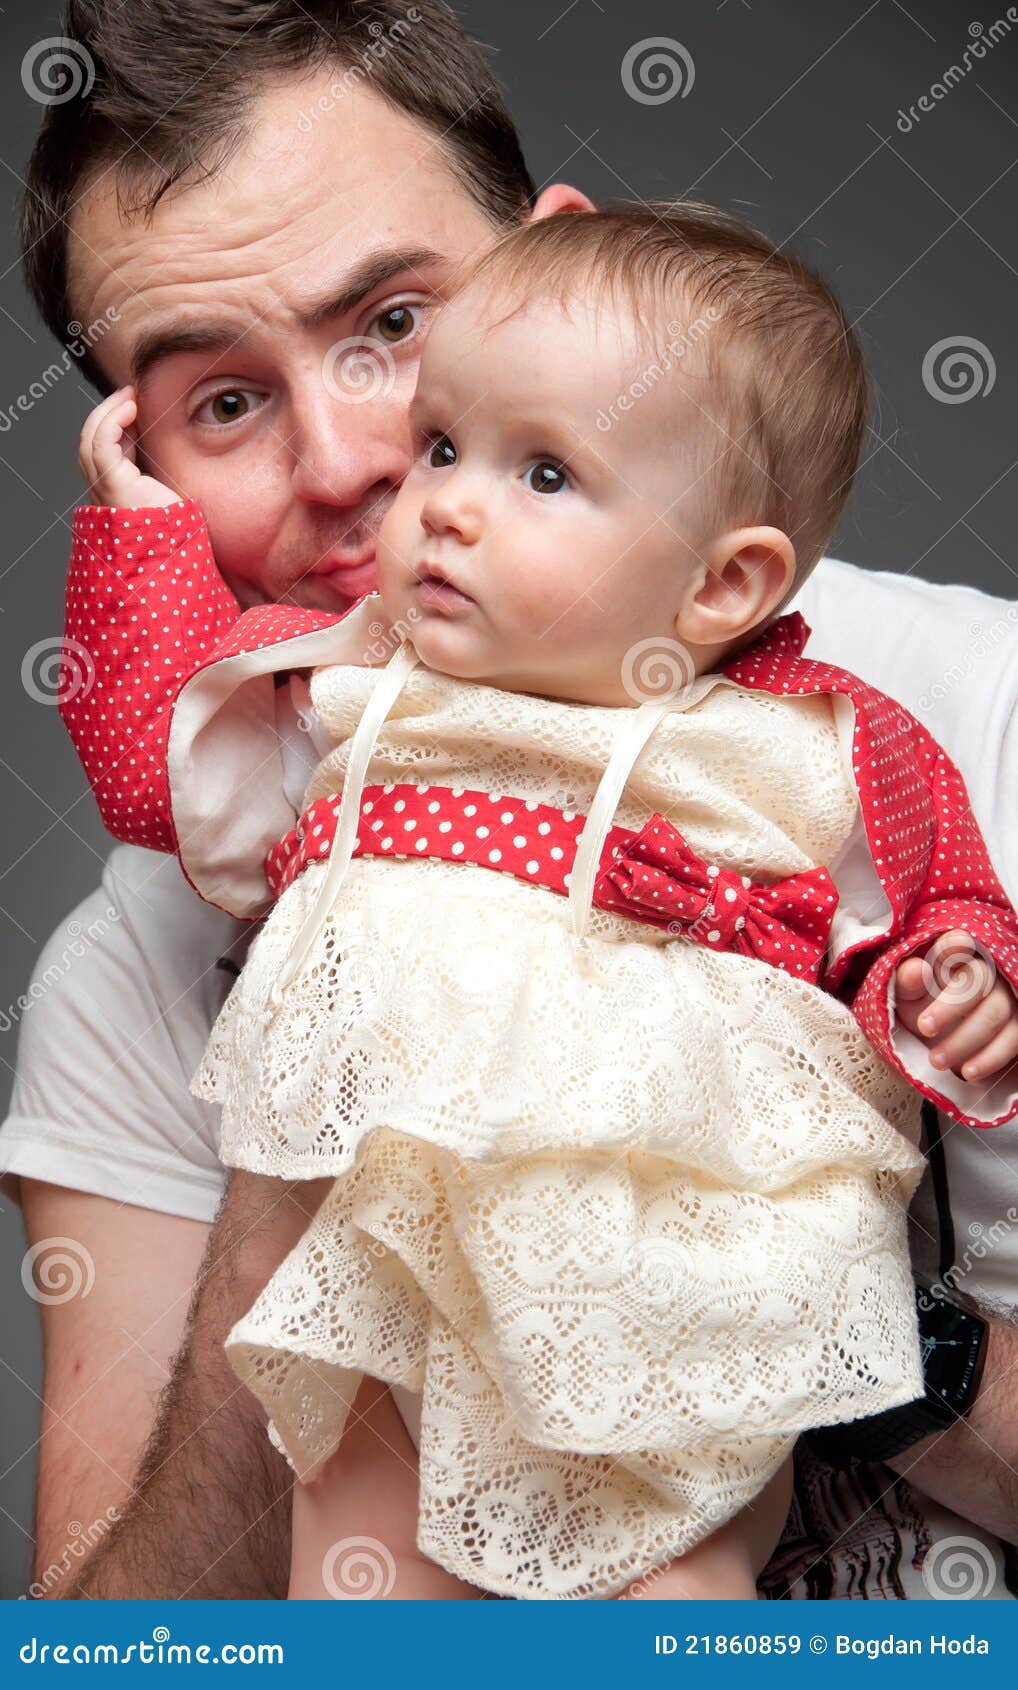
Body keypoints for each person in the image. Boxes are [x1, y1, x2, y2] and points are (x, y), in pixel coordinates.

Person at [3, 0, 1017, 1601]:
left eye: (393, 323)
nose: (353, 465)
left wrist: (766, 1300)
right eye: (219, 405)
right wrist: (299, 1183)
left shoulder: (967, 720)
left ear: (566, 270)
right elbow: (113, 1652)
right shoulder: (143, 950)